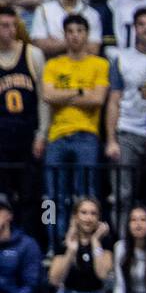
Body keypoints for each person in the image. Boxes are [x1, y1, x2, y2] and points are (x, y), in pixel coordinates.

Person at [41, 13, 109, 240]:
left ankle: (86, 244)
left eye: (80, 31)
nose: (75, 36)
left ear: (87, 35)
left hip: (87, 135)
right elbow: (48, 95)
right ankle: (53, 243)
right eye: (70, 31)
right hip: (57, 135)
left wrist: (64, 96)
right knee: (52, 197)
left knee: (86, 195)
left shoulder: (99, 64)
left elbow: (97, 99)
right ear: (65, 35)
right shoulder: (53, 64)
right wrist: (80, 92)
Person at [105, 4, 146, 218]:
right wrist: (112, 140)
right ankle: (123, 245)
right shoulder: (121, 58)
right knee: (122, 195)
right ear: (135, 29)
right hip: (127, 131)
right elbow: (114, 100)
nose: (145, 28)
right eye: (140, 24)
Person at [0, 6, 47, 221]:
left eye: (12, 25)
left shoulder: (32, 54)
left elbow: (44, 100)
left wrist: (41, 135)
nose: (8, 30)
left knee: (30, 194)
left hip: (27, 133)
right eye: (3, 25)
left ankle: (30, 241)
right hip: (2, 136)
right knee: (4, 195)